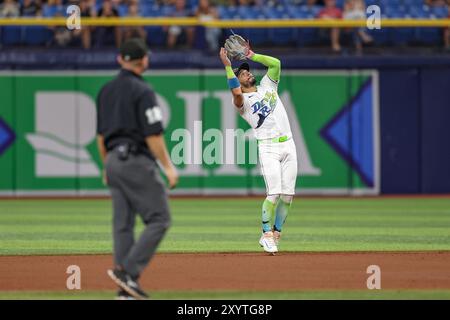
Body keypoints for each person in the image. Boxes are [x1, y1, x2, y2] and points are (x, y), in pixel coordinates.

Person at [96, 38, 179, 300]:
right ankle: (128, 273)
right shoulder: (143, 91)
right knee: (160, 219)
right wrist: (168, 167)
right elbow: (153, 136)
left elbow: (100, 136)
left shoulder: (106, 90)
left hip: (112, 160)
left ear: (120, 59)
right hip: (135, 160)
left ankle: (125, 292)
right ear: (144, 60)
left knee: (123, 224)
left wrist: (106, 165)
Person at [219, 38, 297, 254]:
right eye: (242, 74)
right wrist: (227, 66)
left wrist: (251, 55)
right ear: (238, 80)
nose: (247, 73)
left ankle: (276, 233)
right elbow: (235, 92)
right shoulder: (242, 103)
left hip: (289, 144)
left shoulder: (267, 85)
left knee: (288, 195)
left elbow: (276, 64)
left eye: (246, 71)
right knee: (273, 193)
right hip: (269, 148)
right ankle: (265, 234)